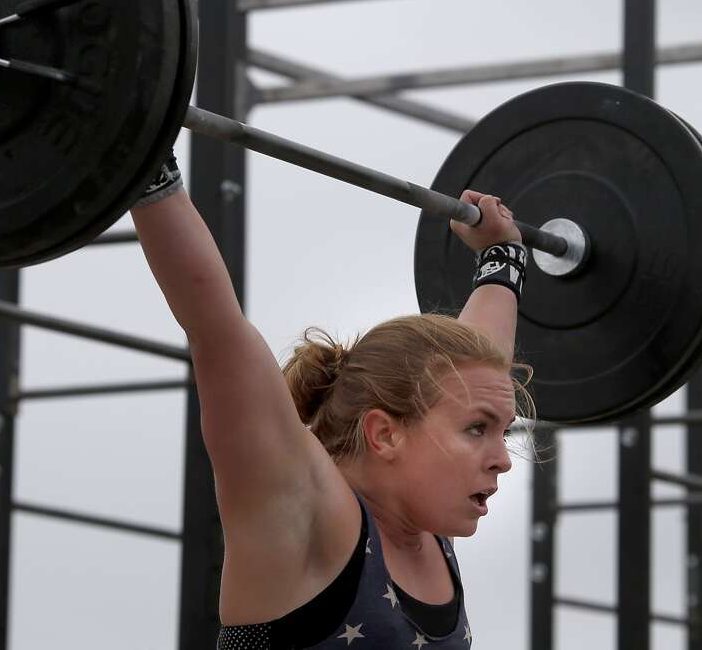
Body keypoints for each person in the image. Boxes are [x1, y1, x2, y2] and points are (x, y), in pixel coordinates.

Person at [130, 150, 535, 649]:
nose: (502, 461)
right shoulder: (301, 513)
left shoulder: (427, 515)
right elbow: (215, 325)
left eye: (502, 429)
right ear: (385, 433)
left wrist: (504, 254)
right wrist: (146, 165)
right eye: (477, 429)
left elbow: (482, 357)